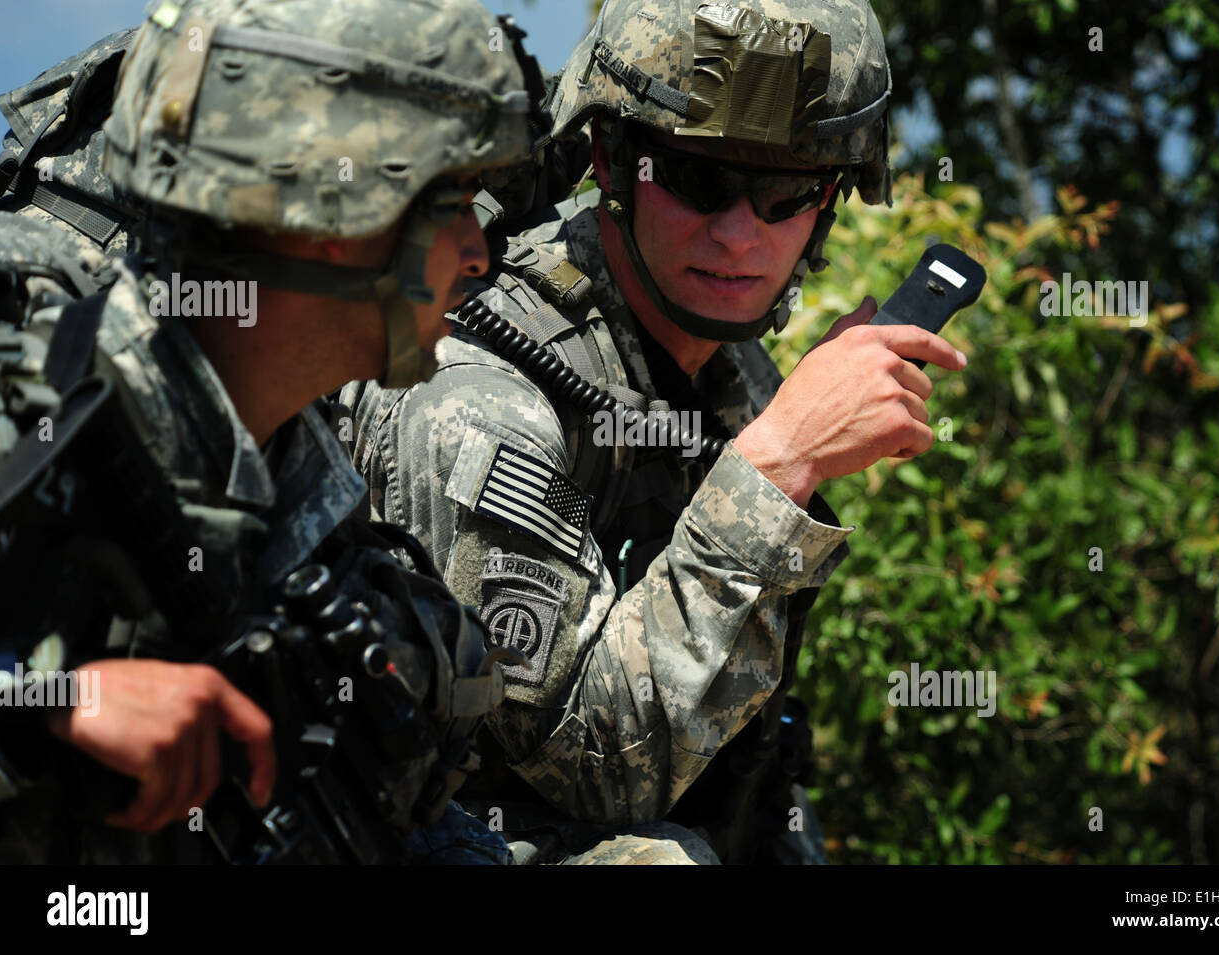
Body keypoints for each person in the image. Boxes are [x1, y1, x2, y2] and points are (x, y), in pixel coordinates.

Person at [341, 0, 969, 865]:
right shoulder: (475, 391)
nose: (740, 234)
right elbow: (584, 767)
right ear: (610, 159)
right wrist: (782, 464)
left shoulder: (735, 377)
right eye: (696, 180)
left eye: (786, 192)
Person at [0, 0, 533, 863]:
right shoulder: (37, 392)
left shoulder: (298, 470)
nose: (478, 253)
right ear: (337, 207)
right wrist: (41, 701)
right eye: (454, 203)